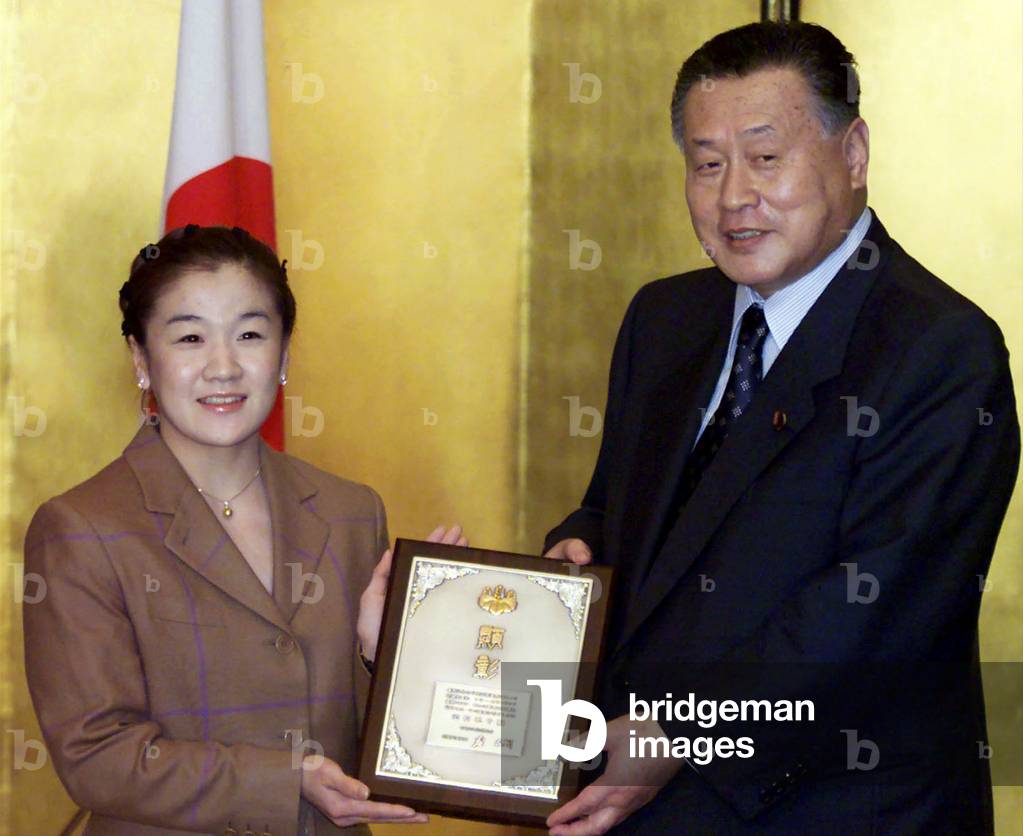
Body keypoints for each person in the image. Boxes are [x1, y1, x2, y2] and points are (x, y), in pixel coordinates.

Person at [542, 21, 1019, 836]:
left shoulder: (939, 349)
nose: (733, 197)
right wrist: (571, 559)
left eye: (765, 159)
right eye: (706, 163)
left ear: (854, 152)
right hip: (635, 800)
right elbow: (621, 512)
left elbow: (870, 615)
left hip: (837, 809)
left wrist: (684, 735)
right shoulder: (664, 319)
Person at [22, 224, 466, 835]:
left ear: (283, 355)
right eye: (190, 338)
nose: (224, 367)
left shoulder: (350, 510)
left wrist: (376, 654)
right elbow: (97, 756)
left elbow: (384, 746)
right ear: (140, 358)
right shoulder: (82, 528)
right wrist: (287, 781)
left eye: (250, 335)